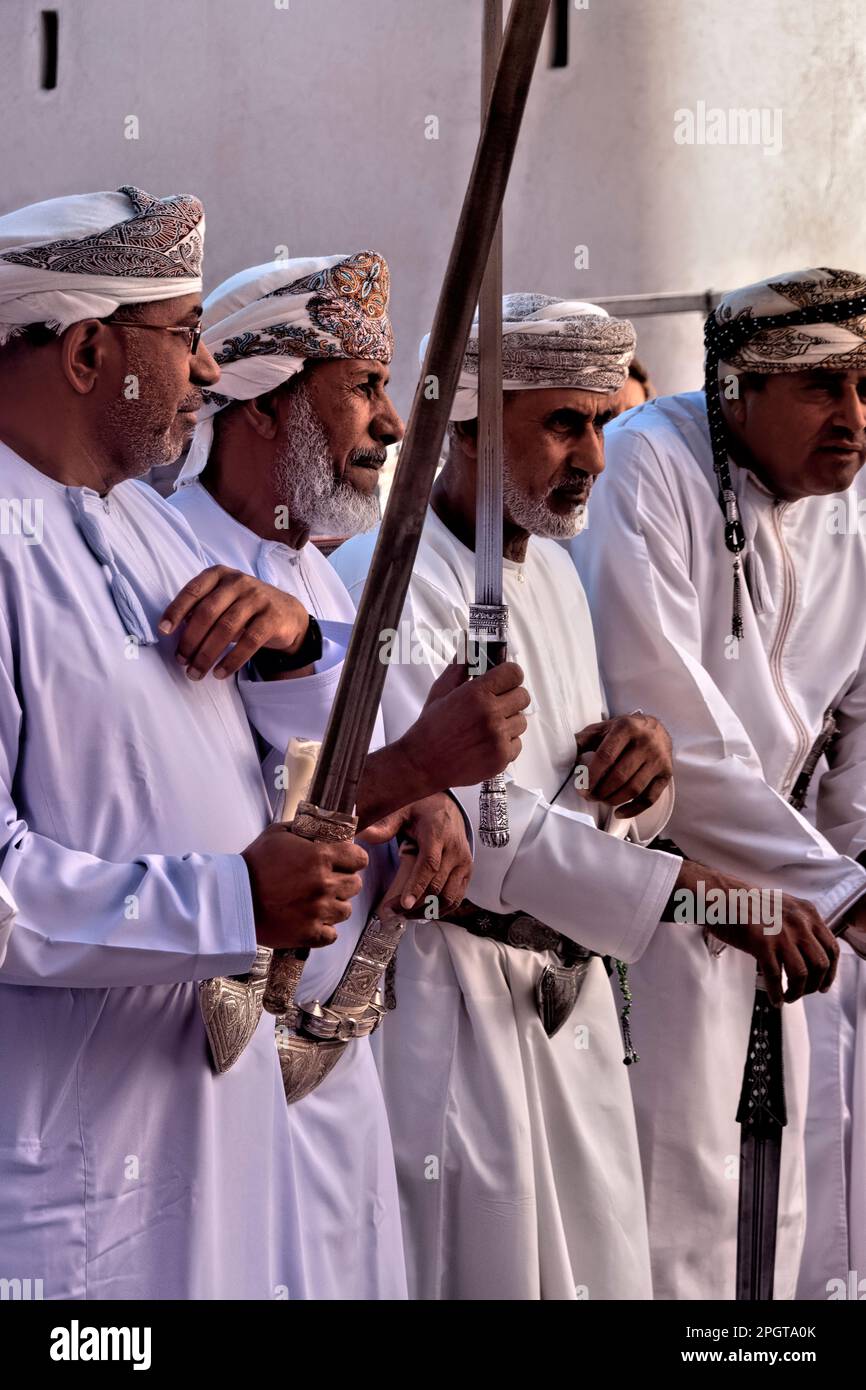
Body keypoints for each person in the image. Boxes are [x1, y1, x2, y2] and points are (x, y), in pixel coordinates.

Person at [0, 189, 520, 1301]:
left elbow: (262, 762)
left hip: (211, 1121)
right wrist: (231, 904)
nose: (201, 371)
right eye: (183, 338)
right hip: (68, 1162)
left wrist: (296, 654)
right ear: (89, 350)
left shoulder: (128, 520)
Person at [332, 292, 837, 1300]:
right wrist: (704, 892)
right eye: (565, 422)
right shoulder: (377, 580)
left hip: (573, 1018)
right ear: (466, 427)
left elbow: (580, 798)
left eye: (602, 423)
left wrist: (642, 770)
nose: (594, 458)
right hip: (457, 1013)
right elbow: (484, 825)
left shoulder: (554, 577)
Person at [169, 252, 531, 1297]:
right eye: (361, 389)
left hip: (336, 1059)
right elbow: (237, 824)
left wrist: (429, 802)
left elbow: (356, 771)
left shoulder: (313, 571)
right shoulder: (179, 568)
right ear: (263, 405)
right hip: (223, 1069)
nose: (388, 424)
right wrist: (418, 765)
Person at [574, 266, 865, 1299]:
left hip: (797, 913)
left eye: (863, 388)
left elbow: (853, 739)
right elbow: (669, 725)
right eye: (822, 388)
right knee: (664, 1210)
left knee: (779, 1215)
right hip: (657, 884)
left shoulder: (847, 513)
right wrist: (834, 887)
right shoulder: (645, 466)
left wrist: (844, 871)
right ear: (737, 388)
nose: (851, 418)